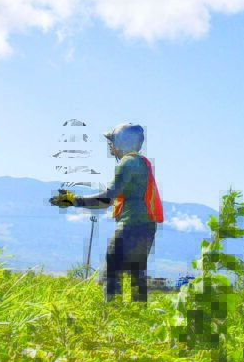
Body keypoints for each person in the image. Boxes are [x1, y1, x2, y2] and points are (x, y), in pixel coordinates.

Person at [50, 123, 163, 302]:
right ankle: (139, 319)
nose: (109, 145)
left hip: (130, 226)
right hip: (146, 226)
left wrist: (72, 200)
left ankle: (111, 317)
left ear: (122, 141)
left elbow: (106, 199)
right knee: (137, 276)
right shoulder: (140, 163)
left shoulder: (127, 163)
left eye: (112, 140)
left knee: (112, 274)